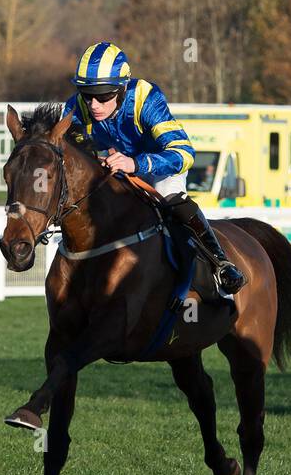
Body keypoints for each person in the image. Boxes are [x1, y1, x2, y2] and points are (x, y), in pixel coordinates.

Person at [62, 41, 247, 295]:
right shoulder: (76, 108)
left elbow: (184, 153)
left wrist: (135, 163)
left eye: (104, 95)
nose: (94, 104)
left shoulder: (145, 99)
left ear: (122, 88)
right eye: (87, 94)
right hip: (118, 169)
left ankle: (221, 264)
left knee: (172, 198)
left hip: (161, 166)